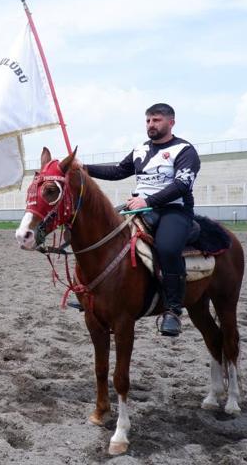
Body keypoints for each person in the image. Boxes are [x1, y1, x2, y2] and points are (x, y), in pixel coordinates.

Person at [84, 103, 200, 337]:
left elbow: (182, 184)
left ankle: (173, 310)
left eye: (156, 120)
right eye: (148, 120)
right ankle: (93, 292)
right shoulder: (140, 149)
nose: (151, 125)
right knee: (99, 232)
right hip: (139, 208)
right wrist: (84, 168)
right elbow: (118, 171)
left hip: (173, 210)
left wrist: (148, 201)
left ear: (171, 123)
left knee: (167, 248)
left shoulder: (184, 150)